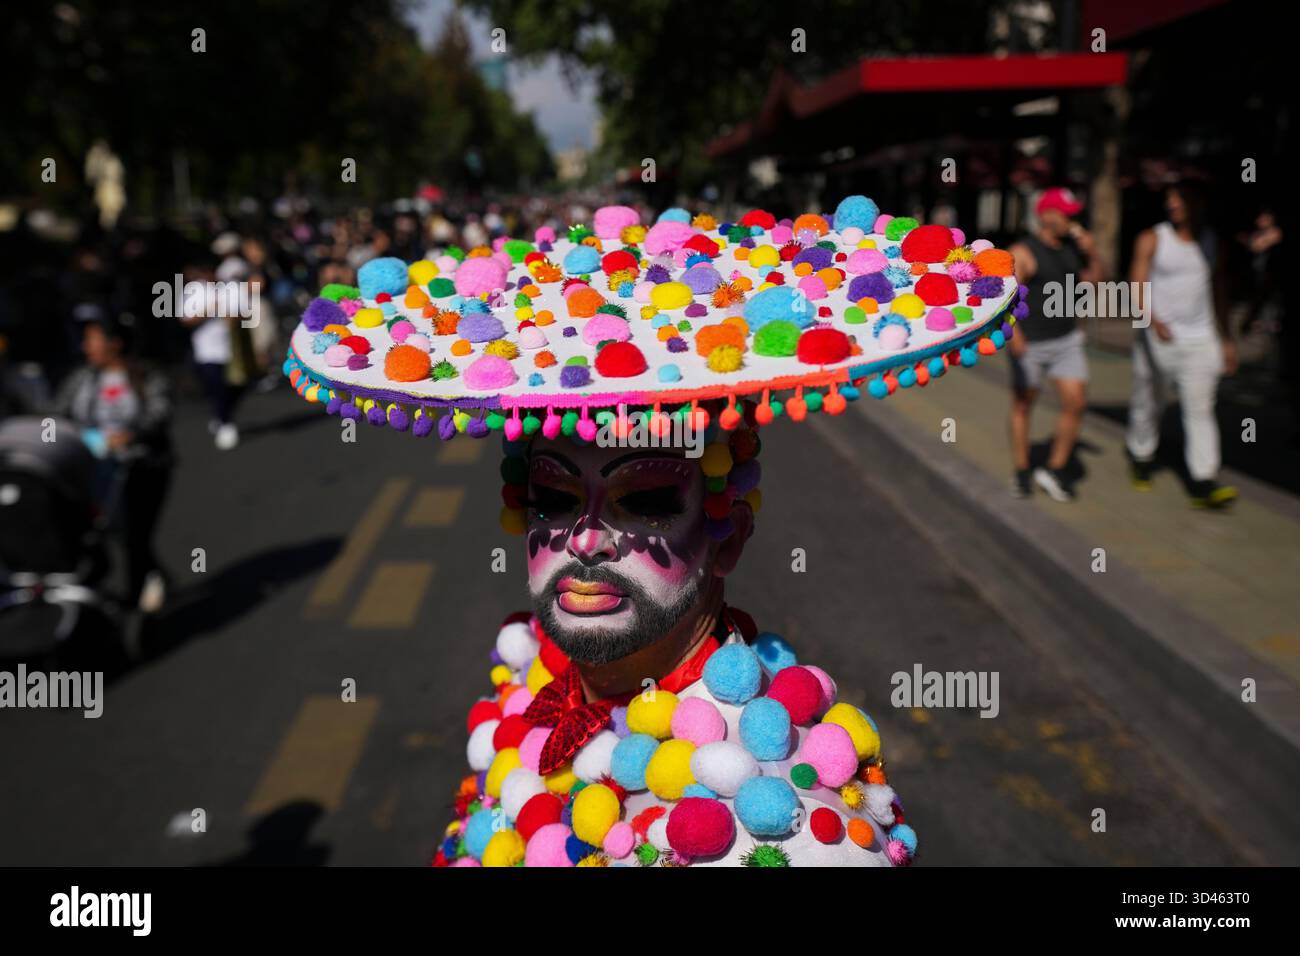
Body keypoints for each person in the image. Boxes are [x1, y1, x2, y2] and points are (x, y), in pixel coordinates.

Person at [280, 196, 1027, 866]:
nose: (585, 541)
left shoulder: (784, 834)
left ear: (726, 534)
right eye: (552, 496)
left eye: (642, 503)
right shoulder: (534, 681)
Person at [1126, 182, 1238, 508]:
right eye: (1169, 199)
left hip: (1201, 340)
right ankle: (1142, 456)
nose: (1172, 204)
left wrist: (1227, 339)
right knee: (1149, 400)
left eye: (1180, 198)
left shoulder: (1212, 242)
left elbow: (1219, 292)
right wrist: (1151, 319)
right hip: (1157, 338)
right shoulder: (1152, 238)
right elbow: (1137, 283)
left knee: (1200, 410)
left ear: (1198, 202)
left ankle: (1204, 482)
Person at [53, 307, 173, 612]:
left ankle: (137, 599)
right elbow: (55, 418)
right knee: (105, 534)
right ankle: (150, 577)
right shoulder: (80, 379)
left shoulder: (146, 375)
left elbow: (160, 413)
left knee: (134, 533)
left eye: (92, 339)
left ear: (115, 343)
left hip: (141, 468)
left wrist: (132, 436)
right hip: (92, 469)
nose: (86, 346)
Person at [1006, 187, 1102, 501]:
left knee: (1075, 402)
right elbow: (1006, 298)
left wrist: (1092, 252)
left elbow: (1096, 284)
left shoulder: (1073, 248)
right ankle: (1022, 472)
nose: (1071, 219)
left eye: (1073, 213)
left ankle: (1054, 470)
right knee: (1024, 404)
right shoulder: (1024, 251)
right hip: (1030, 342)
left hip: (1066, 339)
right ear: (1045, 214)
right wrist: (1014, 336)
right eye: (1065, 213)